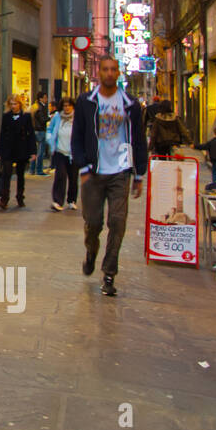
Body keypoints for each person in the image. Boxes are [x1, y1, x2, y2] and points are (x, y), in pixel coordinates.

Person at [71, 55, 148, 297]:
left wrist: (138, 174)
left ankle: (109, 273)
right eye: (105, 69)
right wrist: (82, 167)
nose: (109, 73)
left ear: (118, 73)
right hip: (94, 173)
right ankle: (91, 252)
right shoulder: (86, 101)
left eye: (113, 69)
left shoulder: (130, 104)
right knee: (93, 224)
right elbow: (77, 136)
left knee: (117, 222)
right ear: (99, 72)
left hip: (120, 172)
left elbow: (138, 139)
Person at [0, 95, 37, 209]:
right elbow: (2, 134)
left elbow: (31, 134)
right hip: (8, 149)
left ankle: (20, 197)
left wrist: (33, 151)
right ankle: (4, 199)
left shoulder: (26, 117)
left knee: (20, 175)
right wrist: (0, 151)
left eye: (15, 104)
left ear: (20, 104)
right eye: (11, 104)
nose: (13, 106)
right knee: (6, 174)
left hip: (21, 149)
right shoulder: (6, 117)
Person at [47, 97, 78, 211]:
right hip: (60, 151)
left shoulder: (77, 117)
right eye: (64, 106)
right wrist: (50, 140)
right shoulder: (57, 117)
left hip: (73, 153)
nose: (67, 108)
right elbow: (50, 130)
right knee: (60, 176)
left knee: (73, 177)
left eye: (69, 105)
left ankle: (72, 200)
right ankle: (57, 201)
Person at [30, 93, 50, 175]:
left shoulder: (33, 106)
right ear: (40, 99)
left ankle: (32, 169)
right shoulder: (41, 107)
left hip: (34, 130)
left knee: (34, 151)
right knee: (40, 151)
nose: (46, 99)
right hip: (40, 130)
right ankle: (39, 170)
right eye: (45, 98)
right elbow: (42, 120)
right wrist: (49, 118)